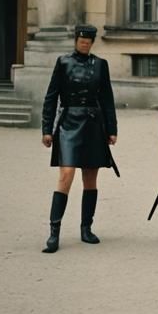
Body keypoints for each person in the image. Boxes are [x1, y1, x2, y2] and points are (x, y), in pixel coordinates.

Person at [40, 24, 118, 253]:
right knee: (66, 175)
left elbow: (107, 99)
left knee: (90, 178)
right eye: (81, 40)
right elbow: (51, 97)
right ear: (75, 40)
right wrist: (47, 129)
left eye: (88, 41)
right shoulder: (63, 63)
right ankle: (54, 232)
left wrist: (111, 130)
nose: (84, 43)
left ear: (92, 42)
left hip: (93, 124)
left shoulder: (101, 65)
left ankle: (86, 228)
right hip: (69, 123)